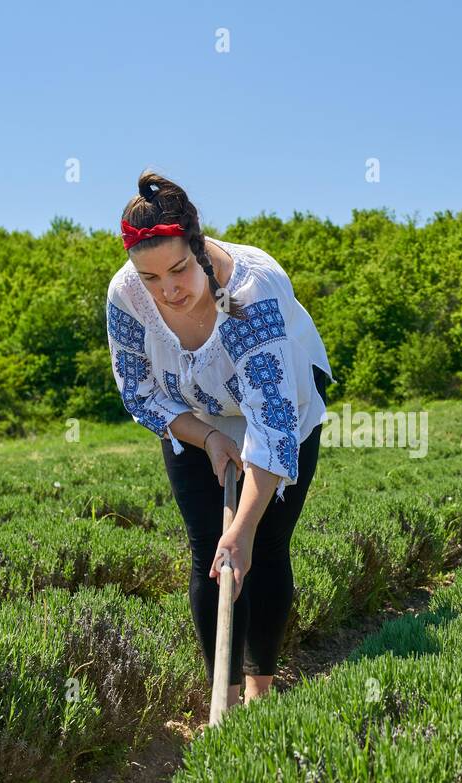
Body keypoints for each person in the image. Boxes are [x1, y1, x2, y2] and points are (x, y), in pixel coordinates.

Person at [104, 170, 335, 709]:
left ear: (200, 246)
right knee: (209, 550)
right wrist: (206, 437)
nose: (169, 291)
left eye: (180, 269)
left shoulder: (252, 294)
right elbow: (139, 394)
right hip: (192, 413)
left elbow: (274, 426)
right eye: (152, 277)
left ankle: (260, 689)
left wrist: (245, 528)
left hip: (280, 406)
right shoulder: (127, 296)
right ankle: (222, 703)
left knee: (263, 545)